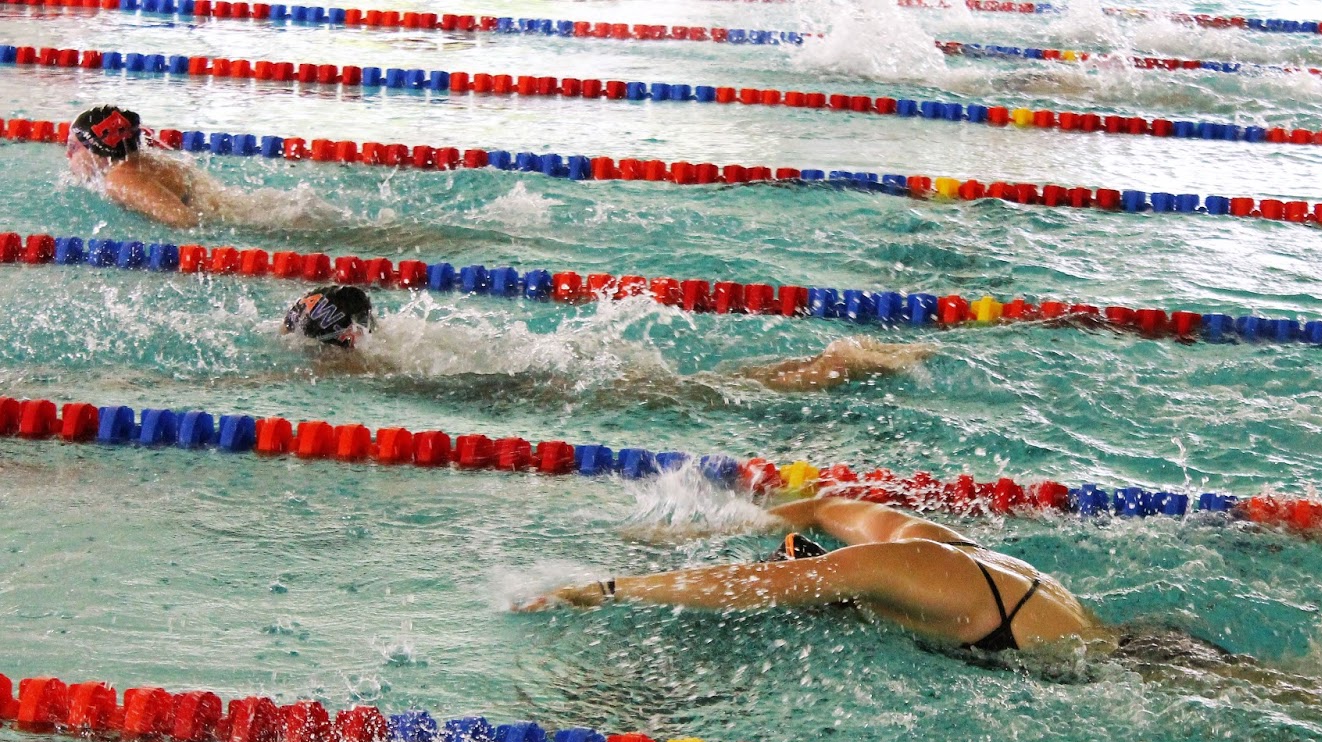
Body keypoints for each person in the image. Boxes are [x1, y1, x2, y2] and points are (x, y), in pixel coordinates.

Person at [519, 496, 1123, 655]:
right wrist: (702, 533)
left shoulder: (867, 568)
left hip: (1090, 673)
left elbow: (752, 585)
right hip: (1112, 636)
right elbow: (823, 507)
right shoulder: (912, 537)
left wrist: (612, 588)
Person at [281, 284, 941, 391]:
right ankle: (834, 359)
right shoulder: (415, 337)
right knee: (702, 385)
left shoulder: (377, 367)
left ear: (344, 343)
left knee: (700, 392)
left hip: (547, 385)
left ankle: (839, 363)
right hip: (552, 365)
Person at [67, 104, 225, 228]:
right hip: (226, 211)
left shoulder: (119, 179)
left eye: (73, 147)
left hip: (225, 223)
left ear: (96, 150)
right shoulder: (141, 160)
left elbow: (185, 220)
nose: (68, 155)